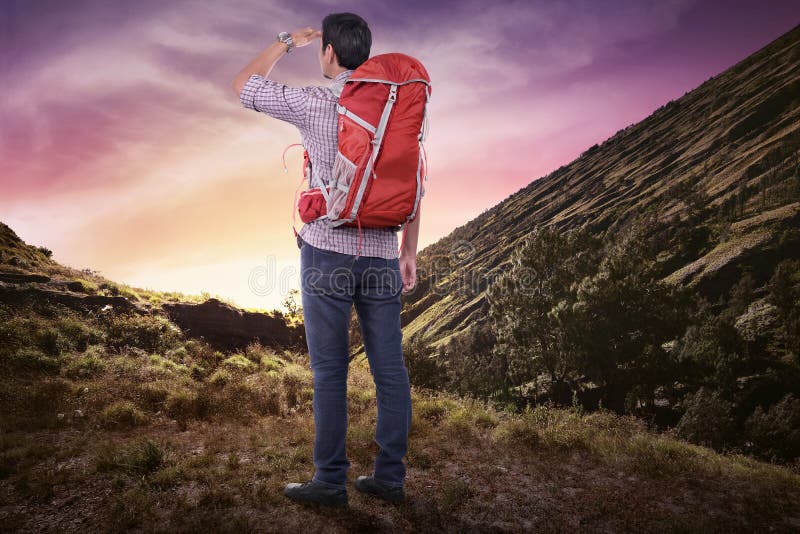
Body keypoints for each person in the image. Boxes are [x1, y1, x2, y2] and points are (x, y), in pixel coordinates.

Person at [231, 12, 420, 507]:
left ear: (330, 52)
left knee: (331, 372)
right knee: (390, 371)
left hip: (326, 252)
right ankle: (390, 479)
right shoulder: (395, 110)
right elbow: (416, 180)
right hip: (382, 253)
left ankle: (330, 482)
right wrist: (409, 251)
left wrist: (286, 42)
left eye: (321, 48)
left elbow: (243, 84)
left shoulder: (316, 102)